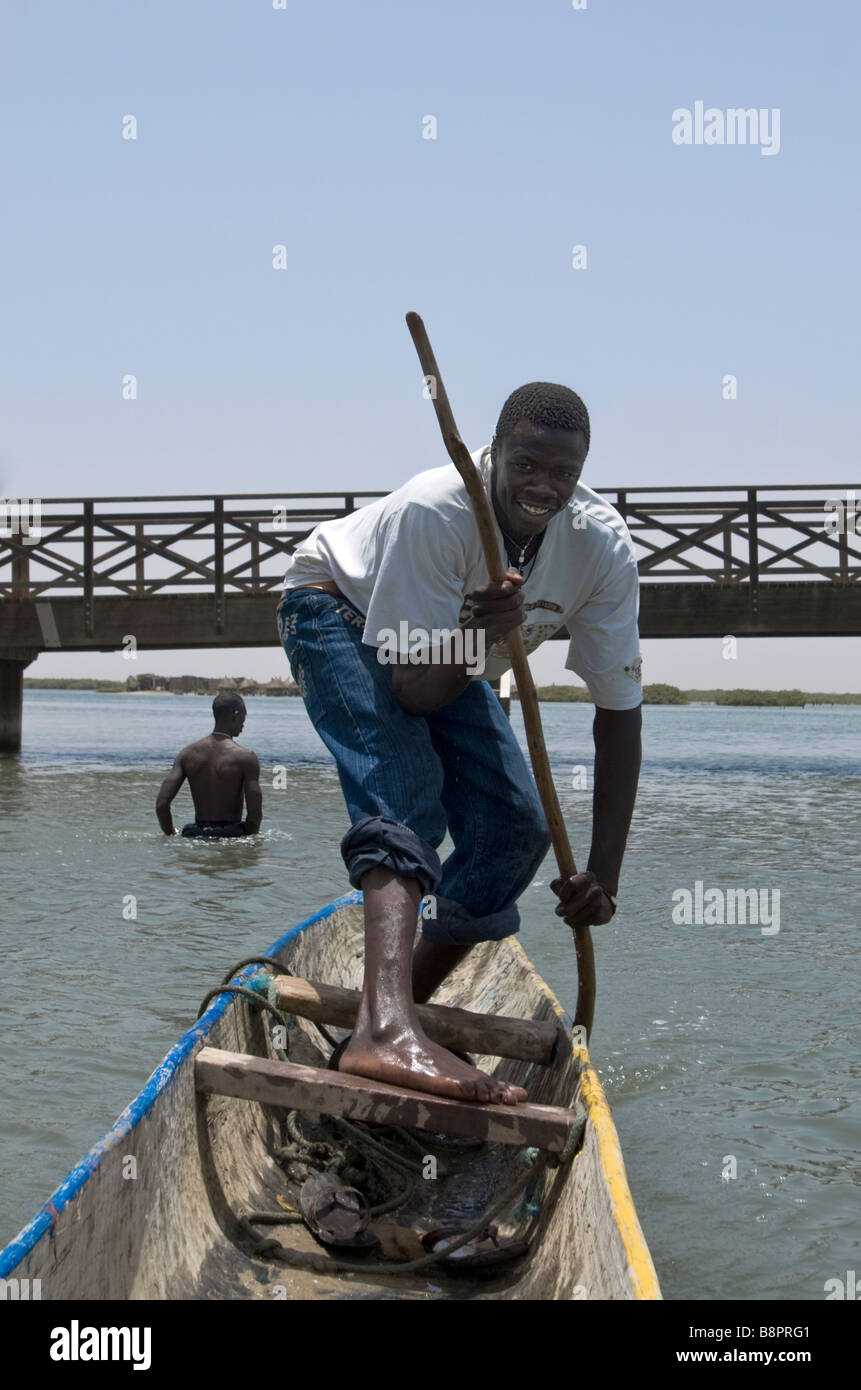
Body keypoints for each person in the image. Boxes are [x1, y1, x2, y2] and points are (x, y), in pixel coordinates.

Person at [276, 382, 642, 1105]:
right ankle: (384, 1037)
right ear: (493, 454)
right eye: (525, 465)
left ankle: (390, 1009)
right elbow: (412, 693)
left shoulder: (601, 547)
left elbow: (618, 713)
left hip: (449, 655)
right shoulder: (436, 510)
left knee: (515, 827)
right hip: (337, 607)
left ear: (582, 470)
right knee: (404, 802)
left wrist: (604, 874)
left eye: (561, 474)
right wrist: (480, 627)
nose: (541, 487)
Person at [155, 692, 262, 838]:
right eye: (244, 716)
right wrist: (245, 839)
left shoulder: (187, 754)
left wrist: (171, 833)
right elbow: (255, 816)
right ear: (235, 714)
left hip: (194, 835)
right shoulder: (246, 758)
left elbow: (162, 805)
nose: (244, 723)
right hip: (230, 835)